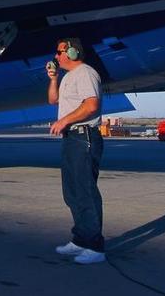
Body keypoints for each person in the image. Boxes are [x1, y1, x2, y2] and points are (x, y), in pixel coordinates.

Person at [46, 37, 105, 264]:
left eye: (59, 52)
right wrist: (53, 79)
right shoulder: (68, 77)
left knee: (85, 192)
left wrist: (65, 121)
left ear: (72, 53)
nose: (56, 56)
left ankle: (95, 247)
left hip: (84, 137)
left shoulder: (86, 73)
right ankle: (80, 240)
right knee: (71, 192)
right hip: (72, 138)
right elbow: (53, 101)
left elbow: (91, 105)